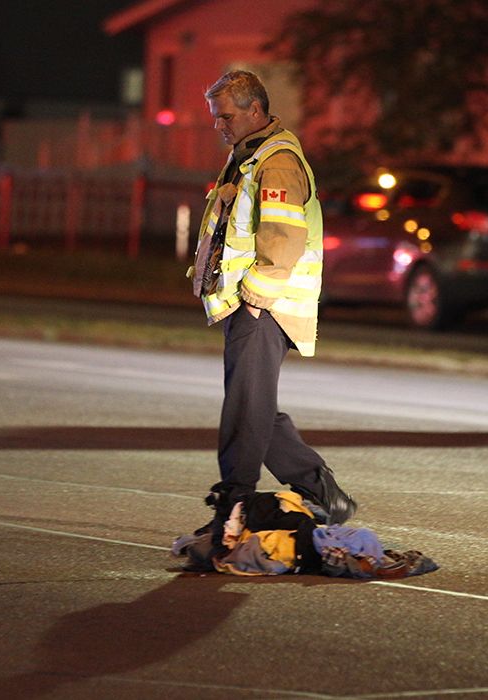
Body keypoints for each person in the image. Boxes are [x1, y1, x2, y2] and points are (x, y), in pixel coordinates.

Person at [189, 70, 356, 540]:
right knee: (256, 405)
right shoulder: (249, 157)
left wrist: (257, 295)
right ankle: (323, 494)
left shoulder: (276, 160)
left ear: (255, 110)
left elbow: (284, 235)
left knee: (245, 407)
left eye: (225, 116)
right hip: (252, 303)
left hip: (265, 304)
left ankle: (234, 506)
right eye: (215, 117)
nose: (218, 125)